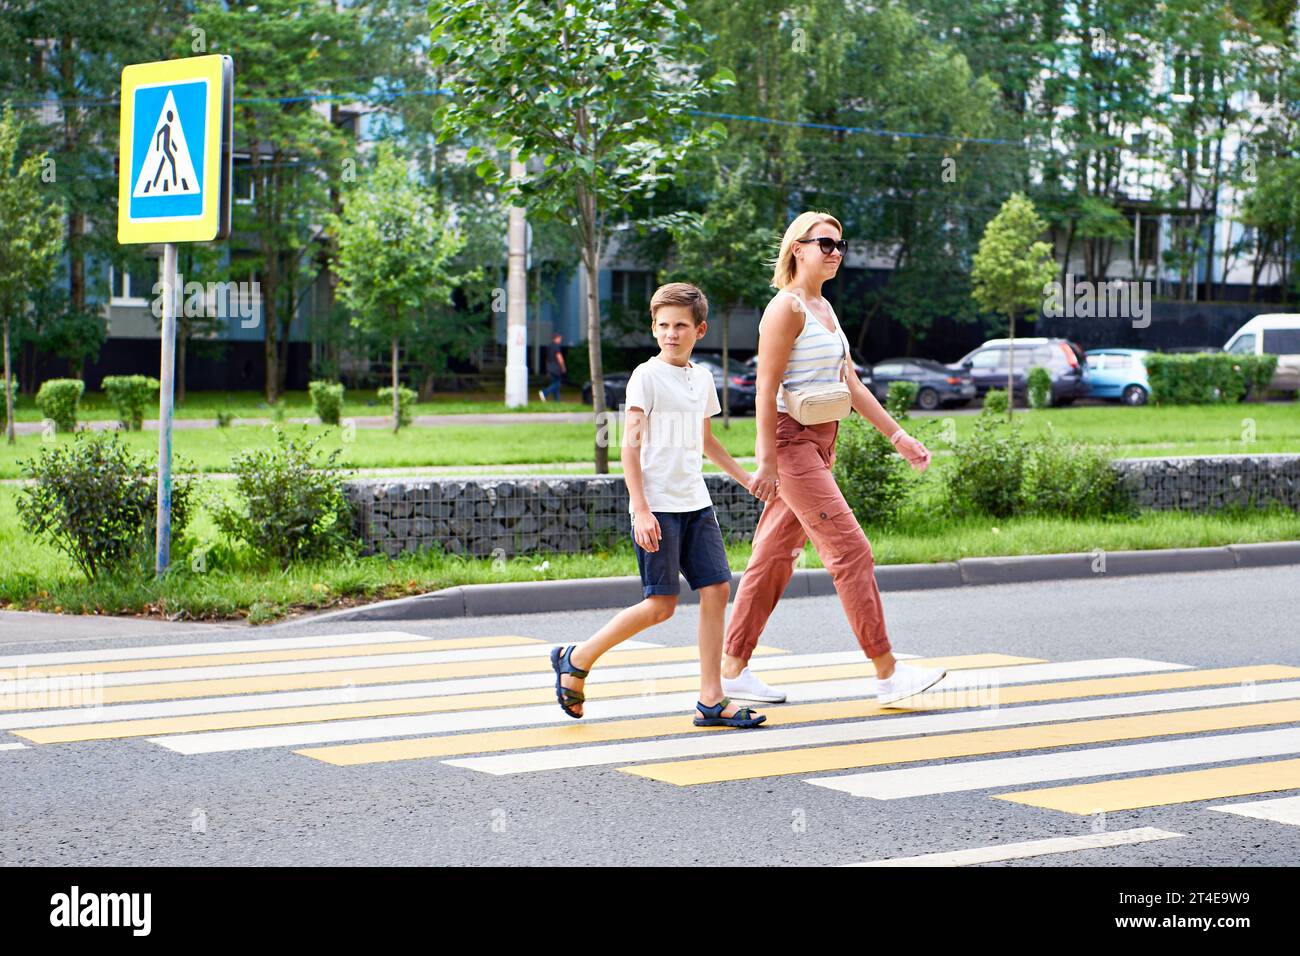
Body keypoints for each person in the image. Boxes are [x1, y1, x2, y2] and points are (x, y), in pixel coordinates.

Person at [719, 211, 948, 707]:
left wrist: (899, 437)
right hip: (791, 443)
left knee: (773, 557)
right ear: (797, 248)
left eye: (842, 244)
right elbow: (765, 386)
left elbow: (850, 383)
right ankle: (887, 672)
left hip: (821, 441)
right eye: (826, 243)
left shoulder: (824, 307)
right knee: (851, 552)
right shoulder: (786, 309)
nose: (836, 252)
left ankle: (732, 669)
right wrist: (767, 460)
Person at [550, 283, 765, 728]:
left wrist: (745, 477)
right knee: (661, 605)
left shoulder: (702, 378)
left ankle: (711, 698)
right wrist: (640, 508)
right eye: (663, 325)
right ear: (654, 327)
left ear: (699, 329)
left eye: (681, 326)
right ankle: (577, 657)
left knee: (718, 589)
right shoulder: (645, 376)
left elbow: (706, 441)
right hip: (658, 505)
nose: (671, 333)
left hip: (695, 502)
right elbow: (629, 446)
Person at [540, 333, 566, 402]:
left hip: (550, 367)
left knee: (554, 383)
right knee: (557, 384)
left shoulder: (549, 346)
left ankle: (557, 401)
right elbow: (559, 357)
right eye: (560, 339)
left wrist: (547, 369)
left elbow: (547, 358)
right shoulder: (556, 346)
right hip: (556, 368)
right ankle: (544, 392)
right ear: (556, 338)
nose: (560, 340)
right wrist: (563, 367)